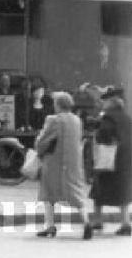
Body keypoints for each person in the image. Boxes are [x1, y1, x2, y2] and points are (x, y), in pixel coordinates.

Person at [34, 90, 90, 238]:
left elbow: (42, 141)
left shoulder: (54, 120)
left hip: (54, 162)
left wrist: (39, 149)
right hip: (73, 163)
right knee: (76, 194)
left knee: (48, 193)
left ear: (57, 105)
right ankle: (86, 222)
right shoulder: (77, 120)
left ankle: (50, 226)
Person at [86, 89, 132, 237]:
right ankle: (125, 222)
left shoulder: (108, 117)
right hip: (126, 159)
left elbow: (104, 134)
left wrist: (96, 128)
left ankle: (98, 220)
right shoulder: (126, 117)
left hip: (109, 159)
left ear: (111, 103)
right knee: (123, 192)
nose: (103, 104)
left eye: (105, 101)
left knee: (99, 190)